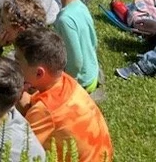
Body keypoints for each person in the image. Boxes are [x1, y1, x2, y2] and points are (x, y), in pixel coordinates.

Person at [13, 29, 114, 162]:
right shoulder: (67, 81)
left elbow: (18, 153)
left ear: (39, 73)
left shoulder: (44, 111)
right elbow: (32, 104)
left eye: (18, 62)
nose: (14, 66)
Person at [40, 0, 100, 93]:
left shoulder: (64, 20)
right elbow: (94, 42)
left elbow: (76, 62)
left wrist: (64, 86)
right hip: (92, 73)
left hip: (81, 83)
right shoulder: (80, 6)